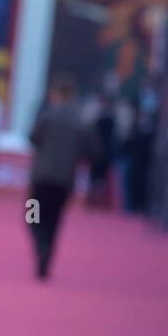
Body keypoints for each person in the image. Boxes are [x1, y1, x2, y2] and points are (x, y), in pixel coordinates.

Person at [27, 74, 100, 280]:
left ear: (57, 94)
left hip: (42, 177)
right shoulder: (81, 121)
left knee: (33, 218)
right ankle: (47, 256)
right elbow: (94, 151)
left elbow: (33, 138)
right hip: (65, 179)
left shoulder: (48, 115)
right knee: (54, 221)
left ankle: (40, 248)